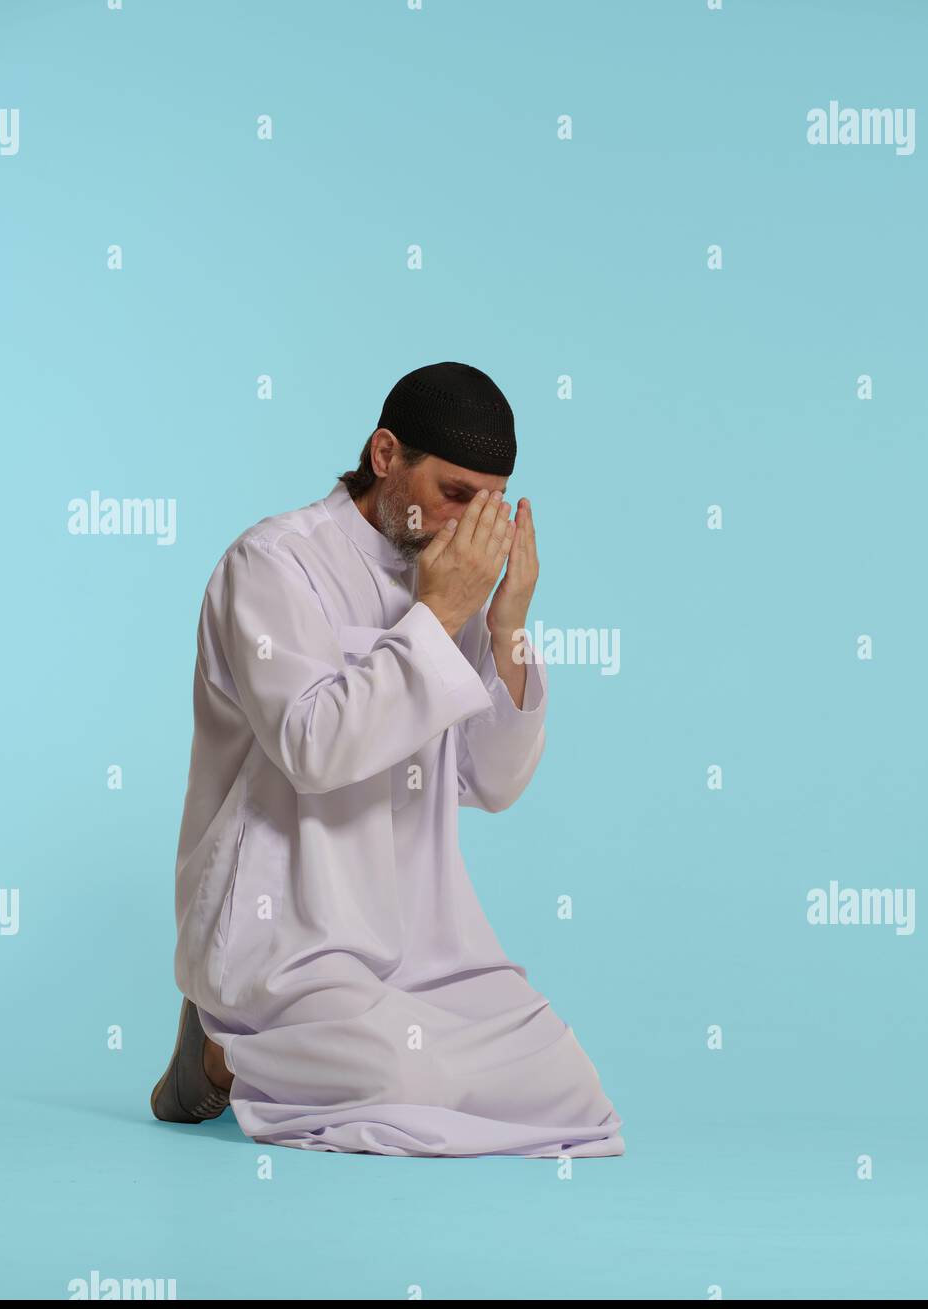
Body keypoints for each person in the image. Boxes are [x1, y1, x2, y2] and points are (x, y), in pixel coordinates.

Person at [150, 362, 624, 1158]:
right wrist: (439, 613)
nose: (468, 522)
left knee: (566, 1087)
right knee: (408, 1081)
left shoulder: (454, 583)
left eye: (490, 499)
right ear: (383, 454)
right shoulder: (271, 564)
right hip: (287, 924)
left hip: (419, 926)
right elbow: (314, 749)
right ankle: (220, 1047)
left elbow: (491, 781)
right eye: (454, 492)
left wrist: (505, 622)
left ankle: (268, 1046)